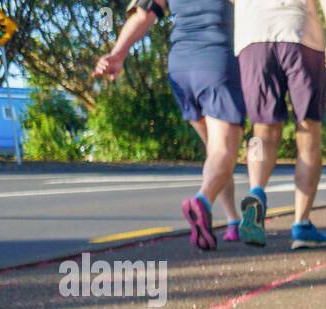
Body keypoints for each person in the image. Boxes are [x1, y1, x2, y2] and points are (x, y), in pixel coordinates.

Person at [95, 0, 245, 250]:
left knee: (216, 151)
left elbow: (143, 15)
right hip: (216, 60)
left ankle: (232, 222)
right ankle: (202, 201)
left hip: (180, 66)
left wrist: (118, 53)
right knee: (224, 151)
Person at [233, 0, 326, 249]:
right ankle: (301, 225)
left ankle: (256, 191)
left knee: (263, 128)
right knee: (308, 129)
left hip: (253, 36)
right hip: (300, 31)